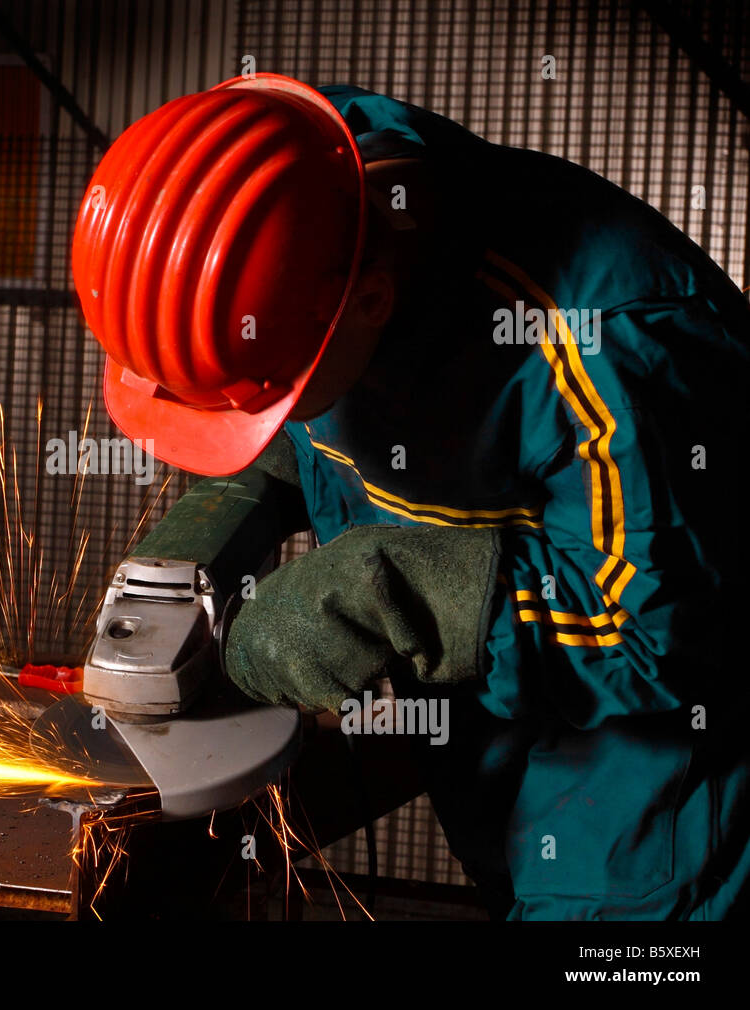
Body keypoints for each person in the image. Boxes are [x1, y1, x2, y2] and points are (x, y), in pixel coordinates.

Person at [72, 73, 750, 919]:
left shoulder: (611, 341)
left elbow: (669, 634)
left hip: (656, 814)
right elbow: (294, 423)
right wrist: (220, 523)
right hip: (492, 767)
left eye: (265, 397)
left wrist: (398, 594)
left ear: (371, 303)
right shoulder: (291, 200)